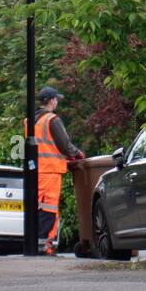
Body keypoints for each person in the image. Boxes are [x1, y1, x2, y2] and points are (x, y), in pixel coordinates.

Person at [25, 86, 84, 256]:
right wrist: (77, 154)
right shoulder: (52, 120)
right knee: (48, 207)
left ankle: (37, 244)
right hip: (49, 170)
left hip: (34, 171)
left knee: (38, 207)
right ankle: (44, 246)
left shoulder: (29, 121)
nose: (57, 101)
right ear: (51, 100)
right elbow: (64, 145)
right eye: (56, 99)